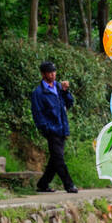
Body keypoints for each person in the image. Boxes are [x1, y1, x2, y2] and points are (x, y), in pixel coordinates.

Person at [30, 60, 78, 193]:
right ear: (43, 74)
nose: (52, 75)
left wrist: (65, 91)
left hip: (62, 127)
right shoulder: (38, 93)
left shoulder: (58, 87)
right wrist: (46, 128)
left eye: (54, 72)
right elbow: (37, 113)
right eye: (49, 72)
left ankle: (43, 184)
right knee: (59, 158)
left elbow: (69, 103)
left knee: (55, 159)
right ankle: (69, 185)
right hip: (51, 130)